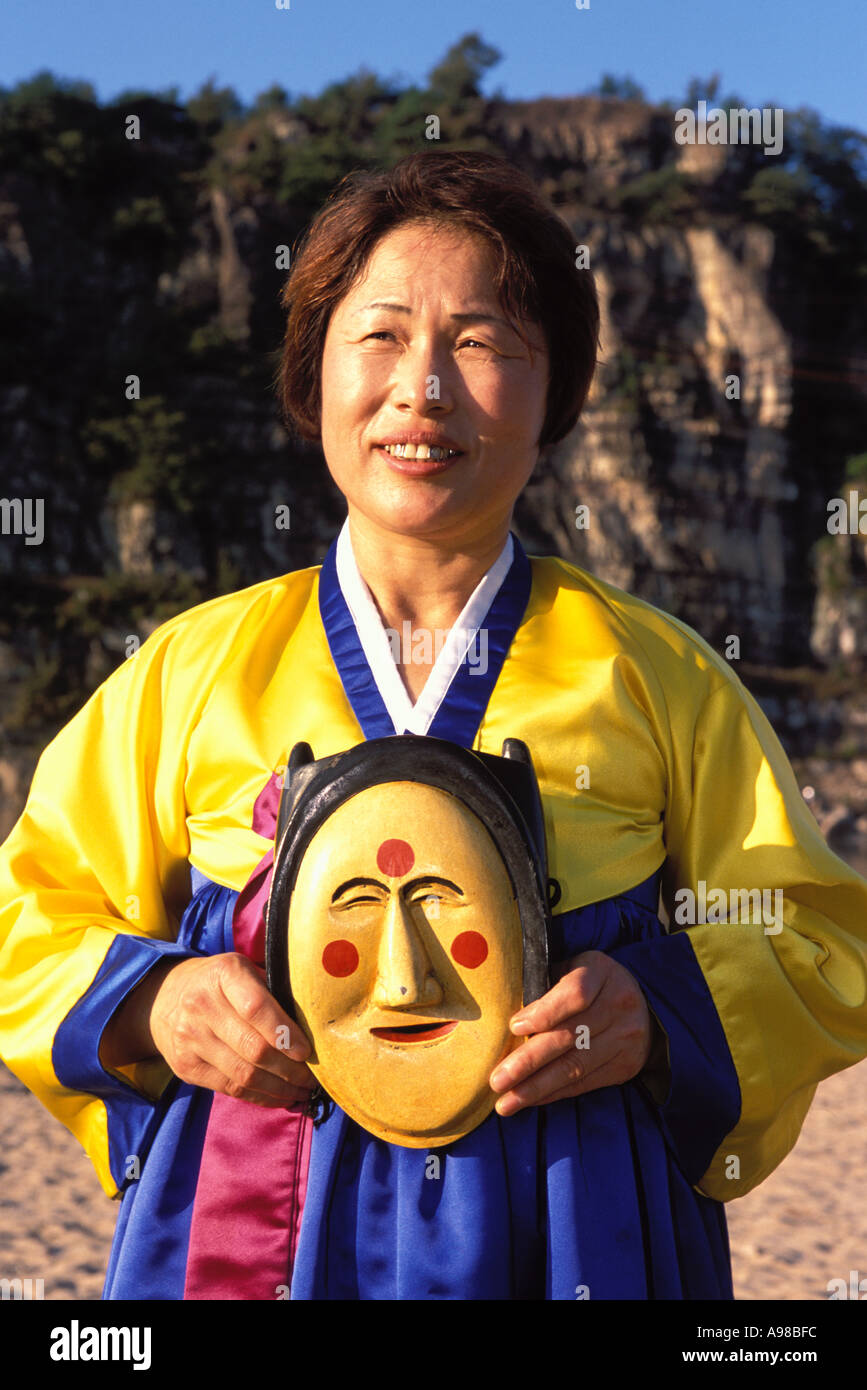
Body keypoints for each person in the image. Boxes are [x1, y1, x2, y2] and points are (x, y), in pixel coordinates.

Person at [1, 149, 866, 1301]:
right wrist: (155, 1002)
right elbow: (30, 917)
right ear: (313, 379)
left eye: (482, 342)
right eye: (381, 336)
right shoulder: (190, 672)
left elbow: (820, 940)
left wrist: (656, 1010)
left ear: (557, 391)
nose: (425, 390)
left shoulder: (656, 673)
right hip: (246, 1235)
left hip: (574, 1224)